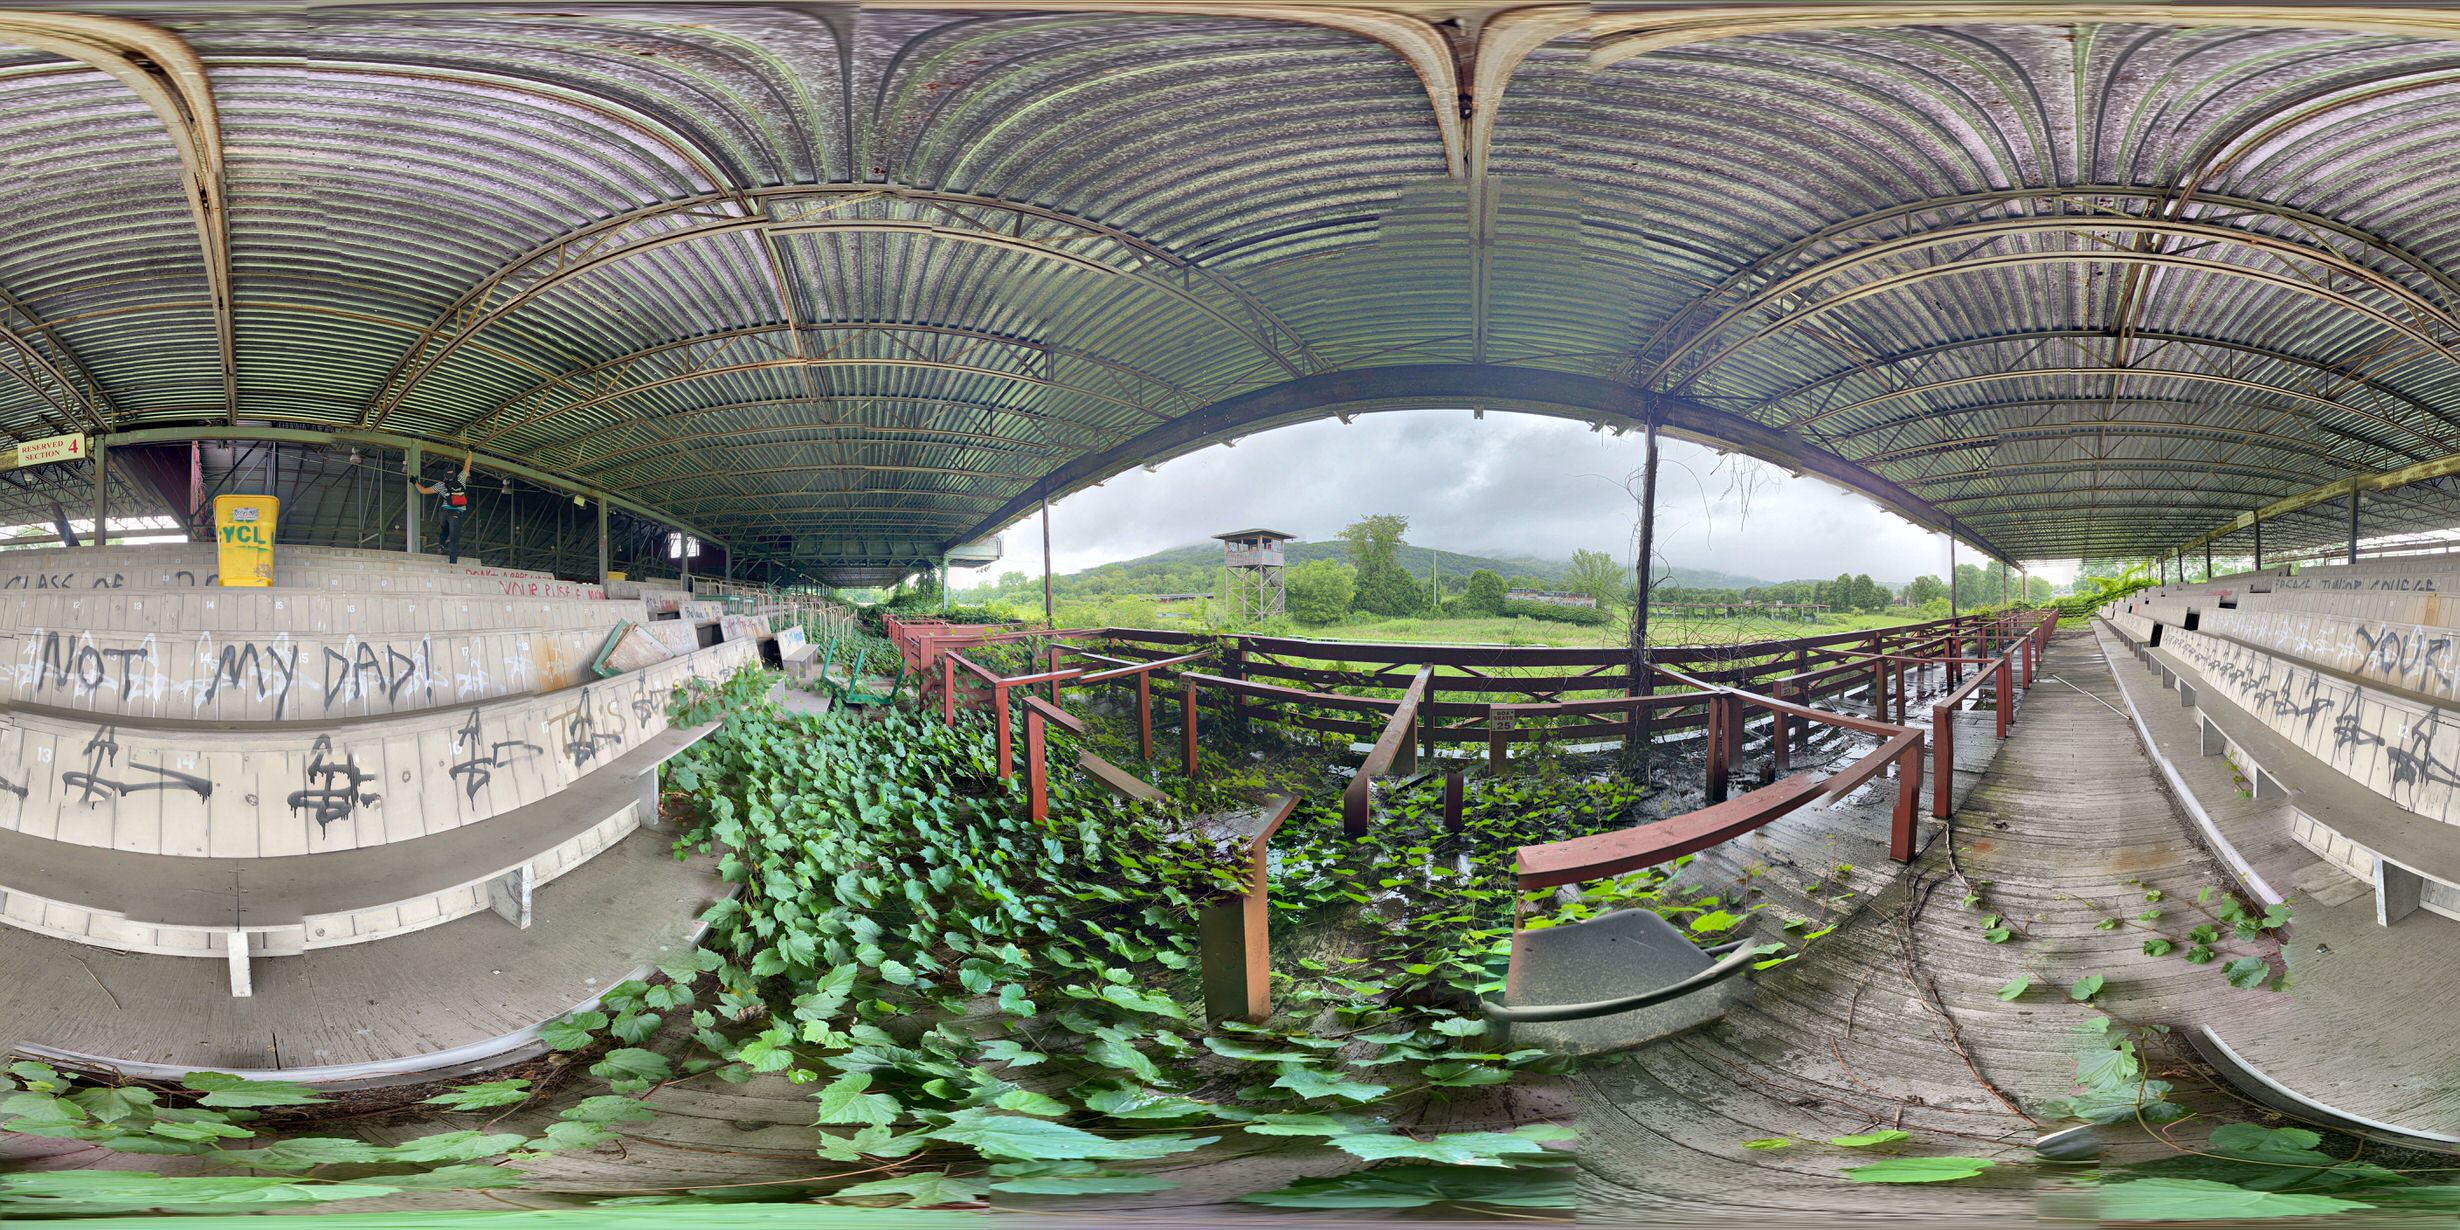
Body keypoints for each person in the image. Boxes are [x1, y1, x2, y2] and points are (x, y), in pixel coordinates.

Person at [414, 450, 474, 564]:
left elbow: (423, 491)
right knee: (454, 539)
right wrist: (470, 452)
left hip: (444, 512)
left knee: (445, 529)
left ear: (445, 476)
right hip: (457, 513)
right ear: (454, 475)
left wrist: (415, 482)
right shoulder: (461, 479)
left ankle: (440, 545)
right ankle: (452, 563)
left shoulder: (441, 485)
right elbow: (467, 464)